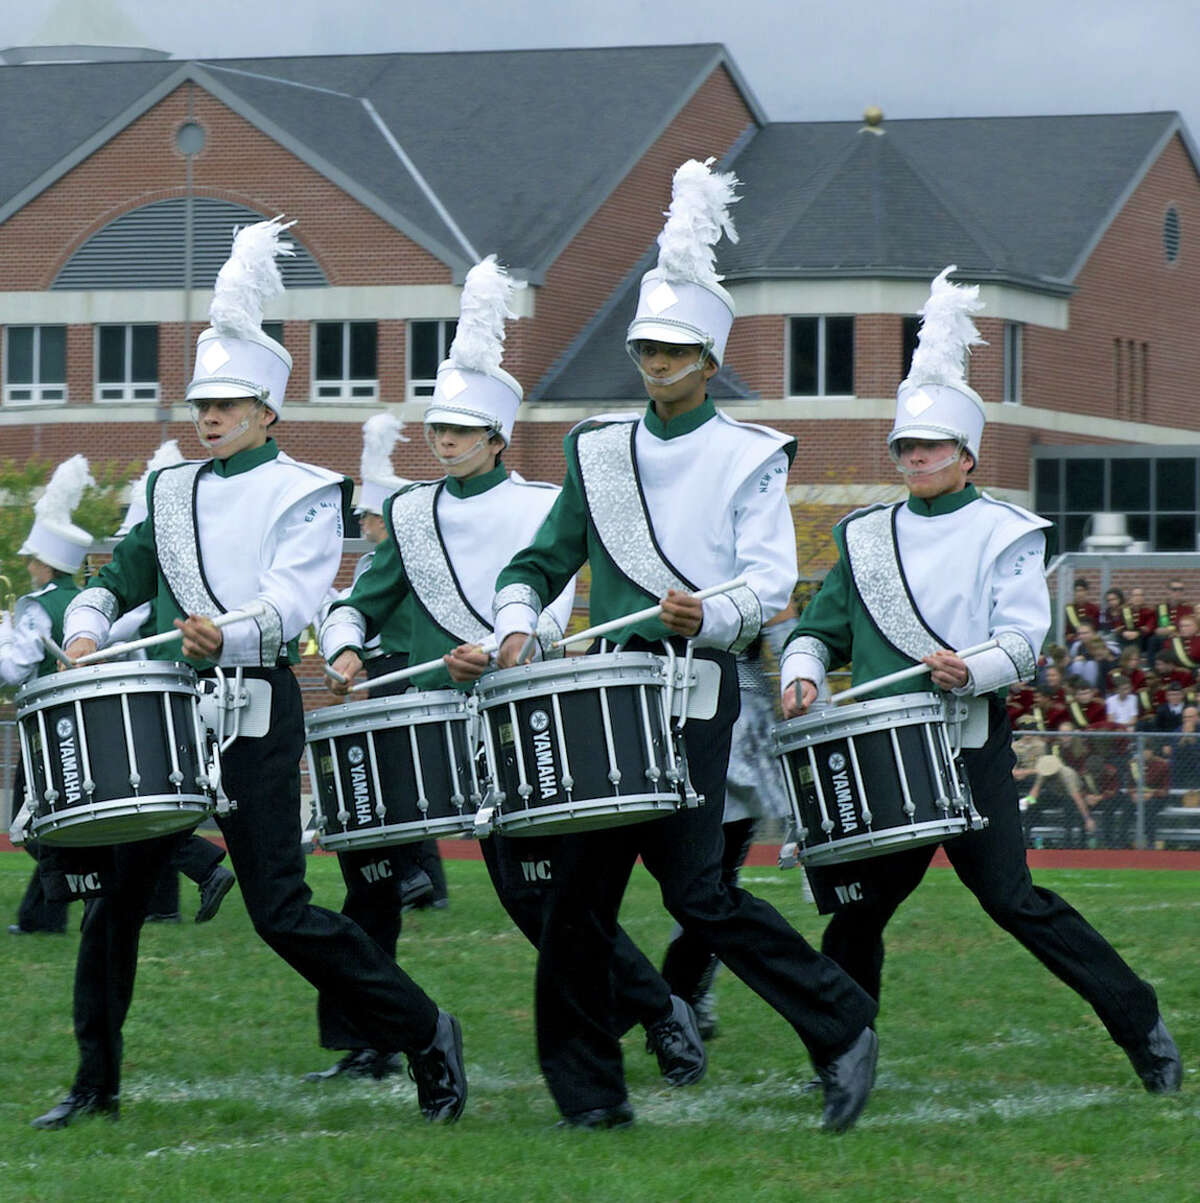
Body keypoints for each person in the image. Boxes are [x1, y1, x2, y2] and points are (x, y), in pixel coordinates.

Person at [41, 219, 466, 1130]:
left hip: (255, 705)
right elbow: (121, 580)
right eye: (202, 404)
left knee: (279, 909)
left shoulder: (307, 489)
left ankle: (427, 1028)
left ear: (269, 409)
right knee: (116, 902)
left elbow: (291, 601)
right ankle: (93, 1083)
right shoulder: (170, 490)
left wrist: (222, 637)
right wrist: (82, 629)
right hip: (162, 710)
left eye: (228, 404)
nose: (208, 418)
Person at [494, 161, 879, 1132]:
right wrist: (513, 620)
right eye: (647, 350)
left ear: (707, 359)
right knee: (578, 899)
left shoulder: (748, 457)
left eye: (674, 352)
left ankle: (841, 1025)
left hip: (694, 689)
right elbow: (545, 562)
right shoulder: (595, 452)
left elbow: (766, 587)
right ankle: (589, 1097)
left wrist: (700, 614)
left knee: (700, 892)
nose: (656, 365)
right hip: (605, 692)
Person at [779, 265, 1181, 1095]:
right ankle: (843, 1053)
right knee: (857, 908)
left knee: (1014, 901)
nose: (915, 458)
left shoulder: (1008, 532)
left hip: (965, 747)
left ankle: (1140, 1023)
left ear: (966, 455)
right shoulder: (864, 537)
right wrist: (805, 676)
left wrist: (972, 668)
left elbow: (1023, 641)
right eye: (906, 447)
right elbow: (817, 630)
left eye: (929, 448)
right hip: (880, 755)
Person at [319, 256, 706, 1092]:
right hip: (443, 729)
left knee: (545, 899)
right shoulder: (411, 514)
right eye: (437, 430)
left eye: (461, 431)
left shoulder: (538, 503)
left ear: (497, 436)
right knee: (502, 898)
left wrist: (507, 647)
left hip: (530, 720)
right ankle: (651, 1010)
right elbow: (358, 600)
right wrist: (343, 647)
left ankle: (657, 1012)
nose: (445, 442)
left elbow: (556, 602)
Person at [658, 608, 798, 1039]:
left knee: (710, 885)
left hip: (737, 725)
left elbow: (784, 627)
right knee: (698, 886)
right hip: (668, 714)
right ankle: (677, 999)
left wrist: (808, 695)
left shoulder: (757, 562)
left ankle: (682, 1000)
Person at [3, 456, 93, 935]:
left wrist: (2, 632)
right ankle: (45, 916)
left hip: (42, 719)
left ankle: (81, 890)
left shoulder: (35, 606)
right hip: (80, 718)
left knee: (33, 821)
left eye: (33, 558)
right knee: (55, 817)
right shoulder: (85, 598)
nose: (29, 565)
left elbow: (12, 668)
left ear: (46, 562)